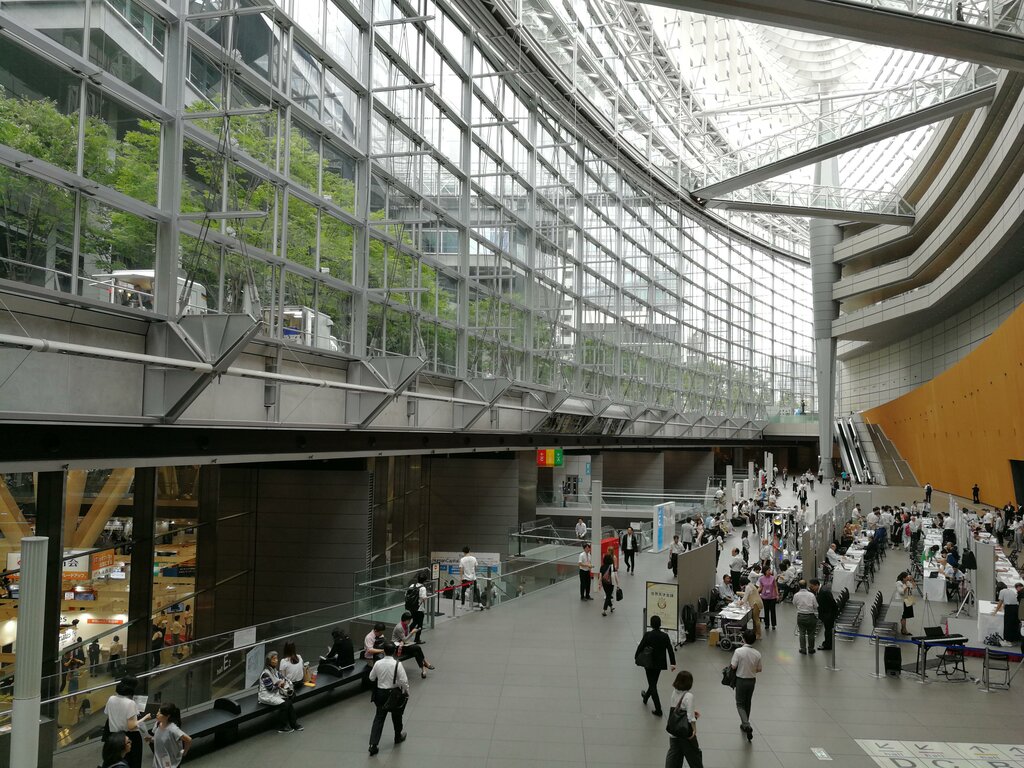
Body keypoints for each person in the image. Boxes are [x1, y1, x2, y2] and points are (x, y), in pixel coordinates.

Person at [367, 642, 409, 755]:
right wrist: (406, 692)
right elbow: (404, 681)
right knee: (397, 715)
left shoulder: (378, 663)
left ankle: (373, 745)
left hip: (380, 693)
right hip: (394, 693)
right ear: (394, 651)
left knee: (379, 718)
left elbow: (371, 678)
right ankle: (397, 736)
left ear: (384, 651)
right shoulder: (397, 664)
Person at [104, 675, 149, 768]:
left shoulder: (111, 699)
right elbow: (131, 726)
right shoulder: (130, 703)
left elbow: (109, 715)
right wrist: (145, 718)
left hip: (114, 736)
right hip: (130, 737)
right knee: (133, 763)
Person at [635, 614, 676, 717]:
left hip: (649, 663)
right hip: (659, 664)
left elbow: (641, 646)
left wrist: (636, 656)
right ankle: (645, 697)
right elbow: (670, 649)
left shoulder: (648, 635)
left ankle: (658, 709)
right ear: (660, 624)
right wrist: (673, 663)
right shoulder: (665, 636)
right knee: (653, 682)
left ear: (651, 624)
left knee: (652, 685)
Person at [664, 670, 703, 768]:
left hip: (674, 730)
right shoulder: (689, 696)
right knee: (694, 757)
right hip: (685, 732)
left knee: (674, 755)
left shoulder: (674, 692)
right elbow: (690, 717)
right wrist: (694, 730)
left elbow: (677, 709)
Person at [730, 629, 762, 742]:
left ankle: (747, 724)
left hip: (741, 680)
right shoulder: (757, 653)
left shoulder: (739, 651)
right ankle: (744, 724)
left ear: (743, 639)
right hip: (752, 681)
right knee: (747, 702)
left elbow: (733, 666)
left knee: (739, 703)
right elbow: (759, 669)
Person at [258, 651, 302, 733]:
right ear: (269, 661)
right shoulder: (265, 674)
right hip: (266, 696)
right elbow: (270, 688)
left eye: (276, 658)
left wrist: (286, 682)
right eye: (274, 659)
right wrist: (280, 685)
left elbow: (283, 678)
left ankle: (293, 723)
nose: (276, 660)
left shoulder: (274, 671)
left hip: (274, 694)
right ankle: (282, 726)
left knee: (288, 701)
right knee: (285, 704)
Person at [144, 703, 191, 768]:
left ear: (167, 716)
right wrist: (150, 739)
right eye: (158, 711)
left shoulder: (173, 729)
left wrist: (184, 751)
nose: (157, 714)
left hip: (171, 764)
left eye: (160, 713)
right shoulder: (158, 724)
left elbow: (188, 739)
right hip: (158, 762)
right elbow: (159, 740)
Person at [392, 612, 435, 678]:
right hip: (397, 647)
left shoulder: (406, 625)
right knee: (417, 648)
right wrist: (412, 632)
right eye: (409, 620)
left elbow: (406, 639)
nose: (410, 622)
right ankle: (425, 663)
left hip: (403, 644)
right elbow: (405, 639)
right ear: (406, 620)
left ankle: (423, 669)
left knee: (416, 652)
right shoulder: (399, 627)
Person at [793, 580, 819, 655]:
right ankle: (811, 649)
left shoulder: (796, 595)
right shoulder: (811, 595)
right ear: (806, 585)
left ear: (799, 586)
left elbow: (794, 604)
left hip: (801, 616)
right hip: (810, 616)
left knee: (802, 633)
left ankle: (803, 649)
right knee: (811, 633)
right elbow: (816, 606)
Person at [816, 582, 839, 651]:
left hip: (828, 614)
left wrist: (833, 613)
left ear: (816, 585)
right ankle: (828, 643)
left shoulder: (824, 591)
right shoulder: (822, 590)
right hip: (827, 613)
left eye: (812, 586)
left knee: (828, 631)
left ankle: (827, 645)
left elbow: (832, 602)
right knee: (828, 630)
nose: (812, 588)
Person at [408, 572, 429, 639]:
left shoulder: (411, 585)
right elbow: (424, 598)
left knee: (414, 621)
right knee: (419, 624)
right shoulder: (423, 588)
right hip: (419, 609)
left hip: (412, 608)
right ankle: (417, 639)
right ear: (424, 580)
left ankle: (409, 634)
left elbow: (407, 595)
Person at [757, 567, 778, 631]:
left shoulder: (773, 578)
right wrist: (756, 592)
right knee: (766, 611)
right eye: (768, 570)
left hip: (772, 597)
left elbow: (775, 586)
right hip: (765, 597)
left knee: (772, 611)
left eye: (770, 570)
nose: (770, 571)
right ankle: (767, 624)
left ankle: (773, 624)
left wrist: (777, 594)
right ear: (765, 571)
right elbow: (761, 587)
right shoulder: (761, 579)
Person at [896, 571, 916, 636]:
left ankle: (904, 629)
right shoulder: (898, 583)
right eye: (906, 577)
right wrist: (906, 586)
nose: (907, 578)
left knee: (907, 615)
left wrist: (912, 580)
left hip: (908, 599)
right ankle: (904, 630)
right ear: (903, 578)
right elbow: (901, 592)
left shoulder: (906, 582)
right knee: (903, 616)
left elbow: (913, 587)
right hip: (902, 600)